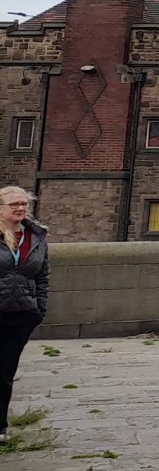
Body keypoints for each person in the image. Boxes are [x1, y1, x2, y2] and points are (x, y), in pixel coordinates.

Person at [0, 187, 49, 443]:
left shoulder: (36, 236)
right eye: (14, 204)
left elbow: (43, 275)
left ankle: (0, 426)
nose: (20, 208)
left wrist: (39, 309)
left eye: (24, 204)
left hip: (21, 314)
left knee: (5, 372)